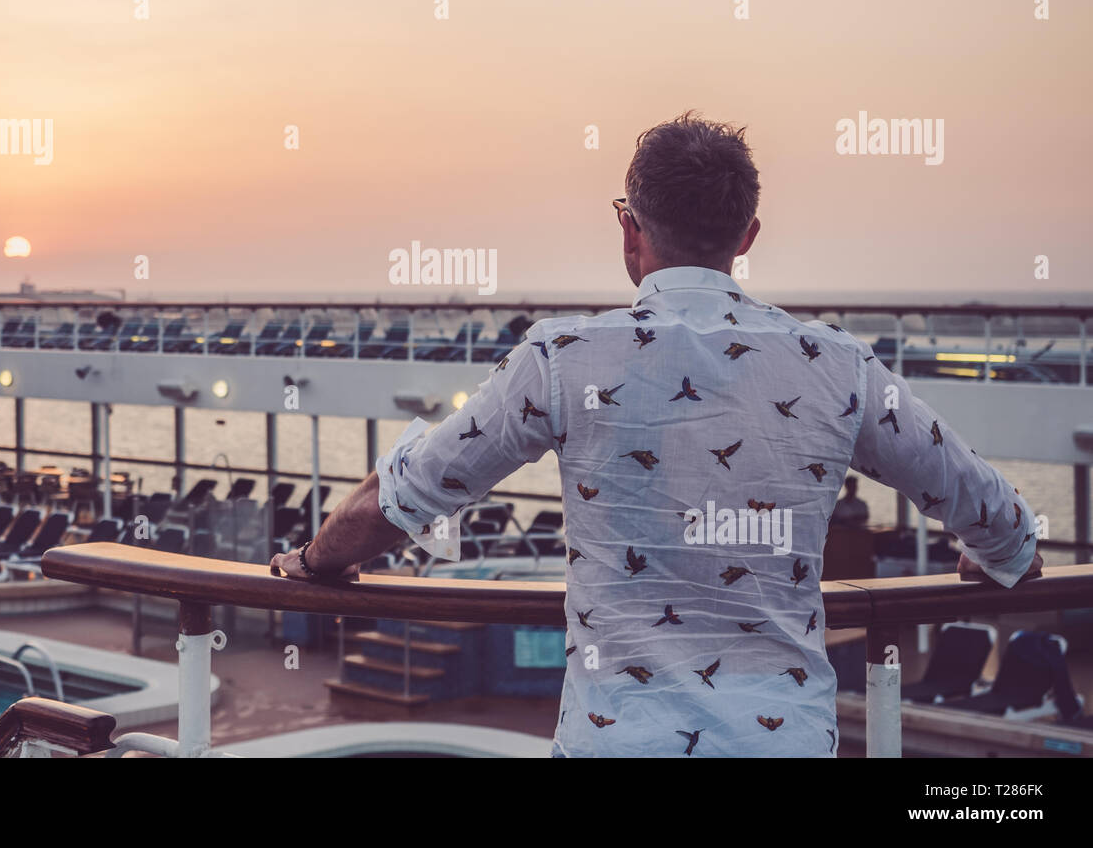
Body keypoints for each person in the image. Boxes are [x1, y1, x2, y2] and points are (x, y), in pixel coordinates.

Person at [269, 111, 1042, 759]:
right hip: (781, 742)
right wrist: (999, 552)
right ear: (748, 234)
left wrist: (313, 560)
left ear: (629, 229)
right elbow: (995, 509)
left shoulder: (563, 358)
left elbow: (404, 495)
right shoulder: (836, 364)